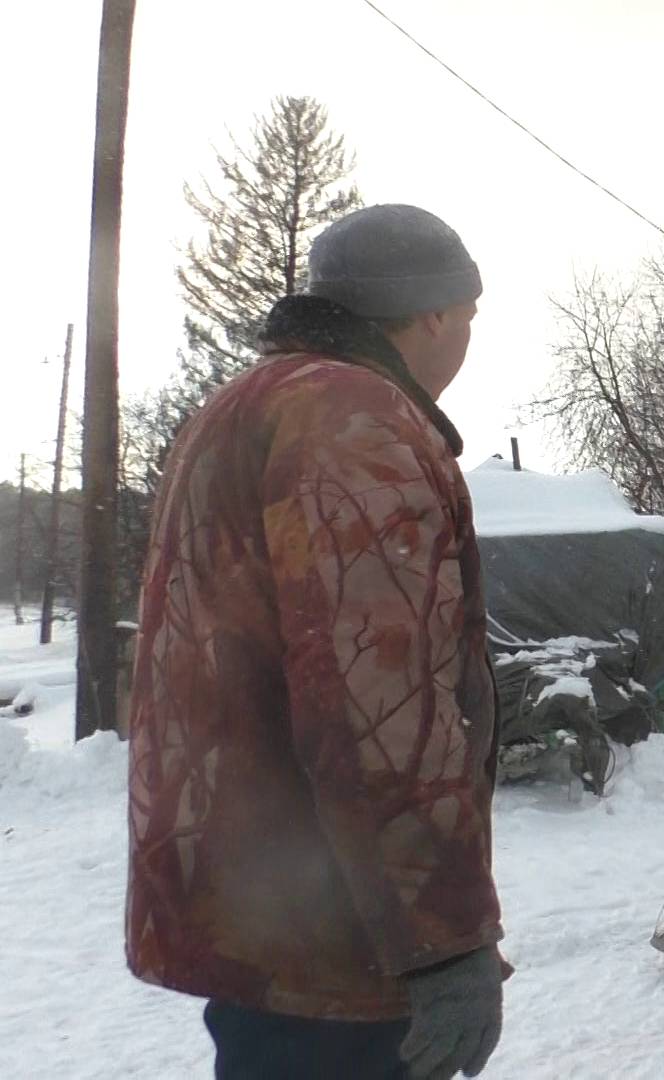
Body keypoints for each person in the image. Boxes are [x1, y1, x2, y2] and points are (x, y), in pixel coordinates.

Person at [126, 204, 505, 1080]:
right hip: (342, 926)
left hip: (263, 898)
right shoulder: (352, 423)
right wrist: (443, 939)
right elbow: (377, 702)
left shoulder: (245, 406)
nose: (468, 341)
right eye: (471, 319)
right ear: (433, 313)